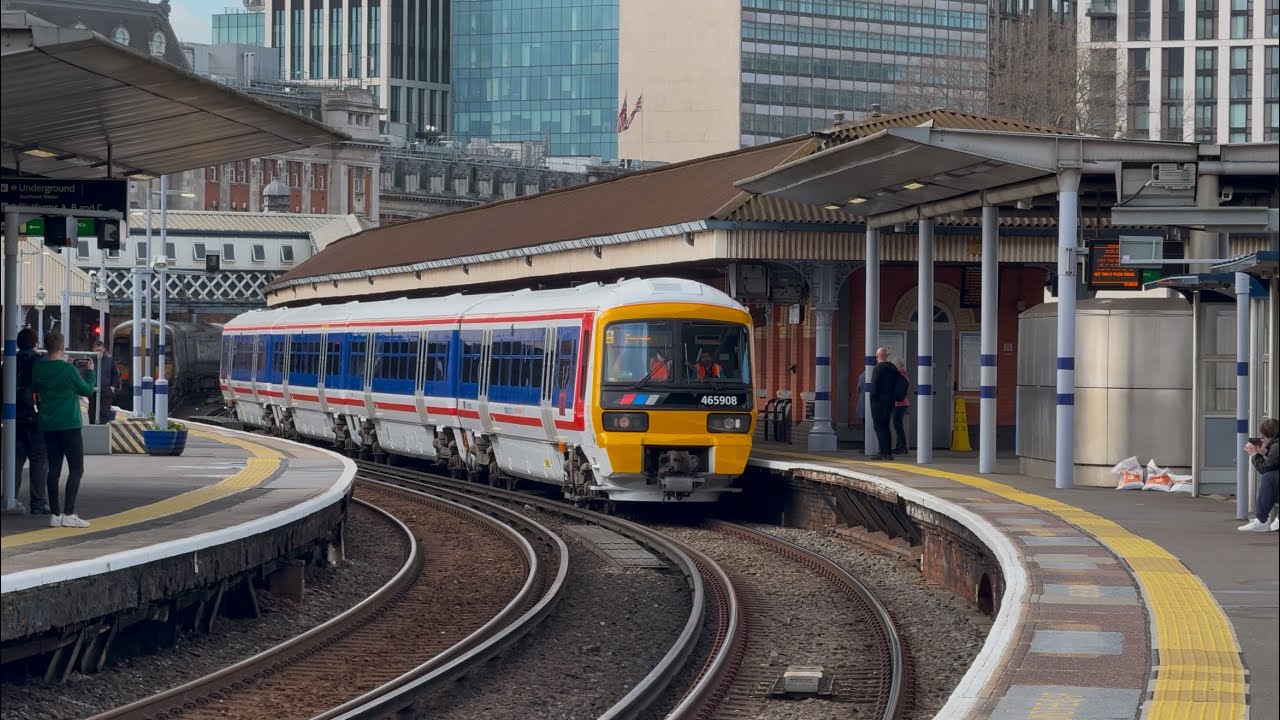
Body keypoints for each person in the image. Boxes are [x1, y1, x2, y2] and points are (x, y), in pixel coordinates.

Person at [33, 332, 96, 529]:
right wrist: (91, 372)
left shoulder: (39, 368)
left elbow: (36, 388)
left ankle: (55, 514)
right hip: (69, 424)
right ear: (62, 348)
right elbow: (86, 390)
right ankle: (69, 513)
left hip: (48, 425)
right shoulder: (68, 369)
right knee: (76, 468)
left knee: (54, 469)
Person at [15, 328, 51, 515]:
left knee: (15, 458)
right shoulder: (40, 362)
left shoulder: (10, 362)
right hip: (35, 416)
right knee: (38, 459)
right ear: (36, 343)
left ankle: (9, 497)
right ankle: (38, 503)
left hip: (14, 416)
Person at [1239, 417, 1279, 533]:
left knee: (1269, 478)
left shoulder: (1277, 445)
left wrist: (1254, 455)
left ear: (1268, 436)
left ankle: (1261, 520)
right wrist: (1266, 452)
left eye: (1263, 437)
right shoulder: (1276, 445)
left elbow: (1265, 469)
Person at [869, 347, 898, 461]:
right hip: (889, 401)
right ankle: (888, 452)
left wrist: (871, 397)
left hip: (878, 402)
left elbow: (874, 387)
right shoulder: (893, 368)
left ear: (877, 357)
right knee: (886, 426)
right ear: (887, 356)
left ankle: (882, 452)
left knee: (879, 426)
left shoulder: (878, 368)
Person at [89, 339, 121, 425]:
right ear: (93, 350)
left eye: (100, 350)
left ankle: (102, 429)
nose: (99, 352)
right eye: (97, 350)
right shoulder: (90, 360)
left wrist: (113, 387)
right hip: (93, 390)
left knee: (104, 413)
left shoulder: (109, 360)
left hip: (106, 390)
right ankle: (93, 429)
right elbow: (85, 373)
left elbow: (115, 374)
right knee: (92, 412)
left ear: (104, 349)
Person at [892, 357, 910, 455]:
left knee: (898, 425)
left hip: (899, 403)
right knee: (898, 425)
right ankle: (900, 446)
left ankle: (902, 446)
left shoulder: (899, 374)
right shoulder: (904, 374)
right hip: (902, 403)